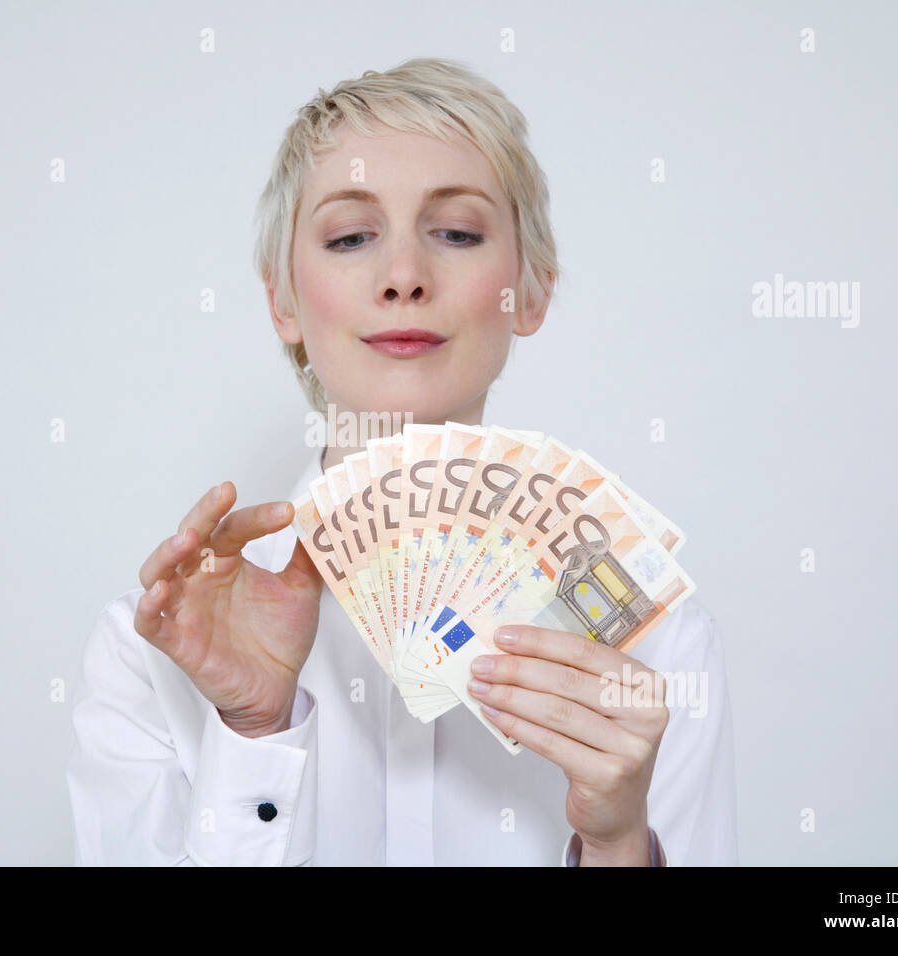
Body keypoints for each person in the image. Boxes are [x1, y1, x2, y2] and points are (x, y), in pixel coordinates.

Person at [67, 57, 737, 866]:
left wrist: (618, 843)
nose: (404, 277)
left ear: (530, 290)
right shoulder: (151, 657)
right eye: (350, 237)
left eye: (456, 232)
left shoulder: (656, 647)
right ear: (283, 300)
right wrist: (254, 734)